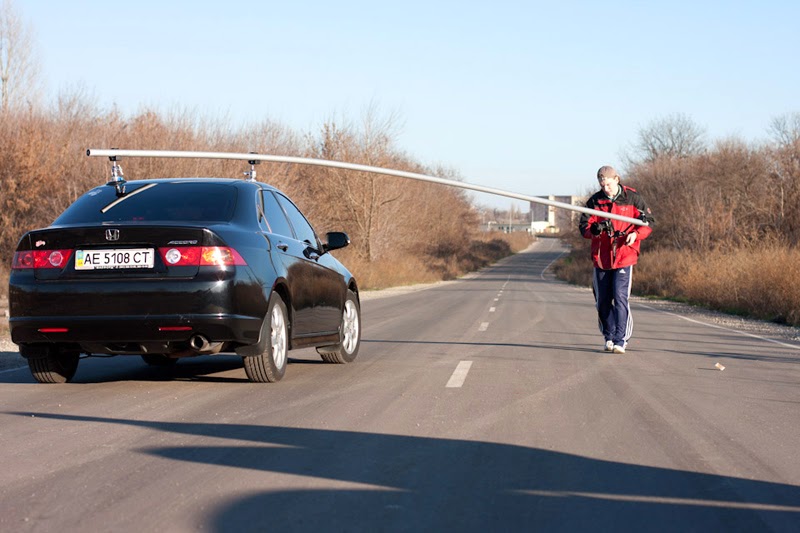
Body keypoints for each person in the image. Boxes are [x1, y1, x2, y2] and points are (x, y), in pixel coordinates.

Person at [578, 166, 654, 354]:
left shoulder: (633, 198)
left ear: (617, 179)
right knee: (603, 300)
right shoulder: (595, 201)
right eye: (602, 185)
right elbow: (584, 228)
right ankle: (609, 336)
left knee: (620, 297)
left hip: (624, 255)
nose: (606, 189)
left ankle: (621, 339)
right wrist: (594, 230)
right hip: (602, 257)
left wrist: (636, 235)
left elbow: (648, 222)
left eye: (609, 185)